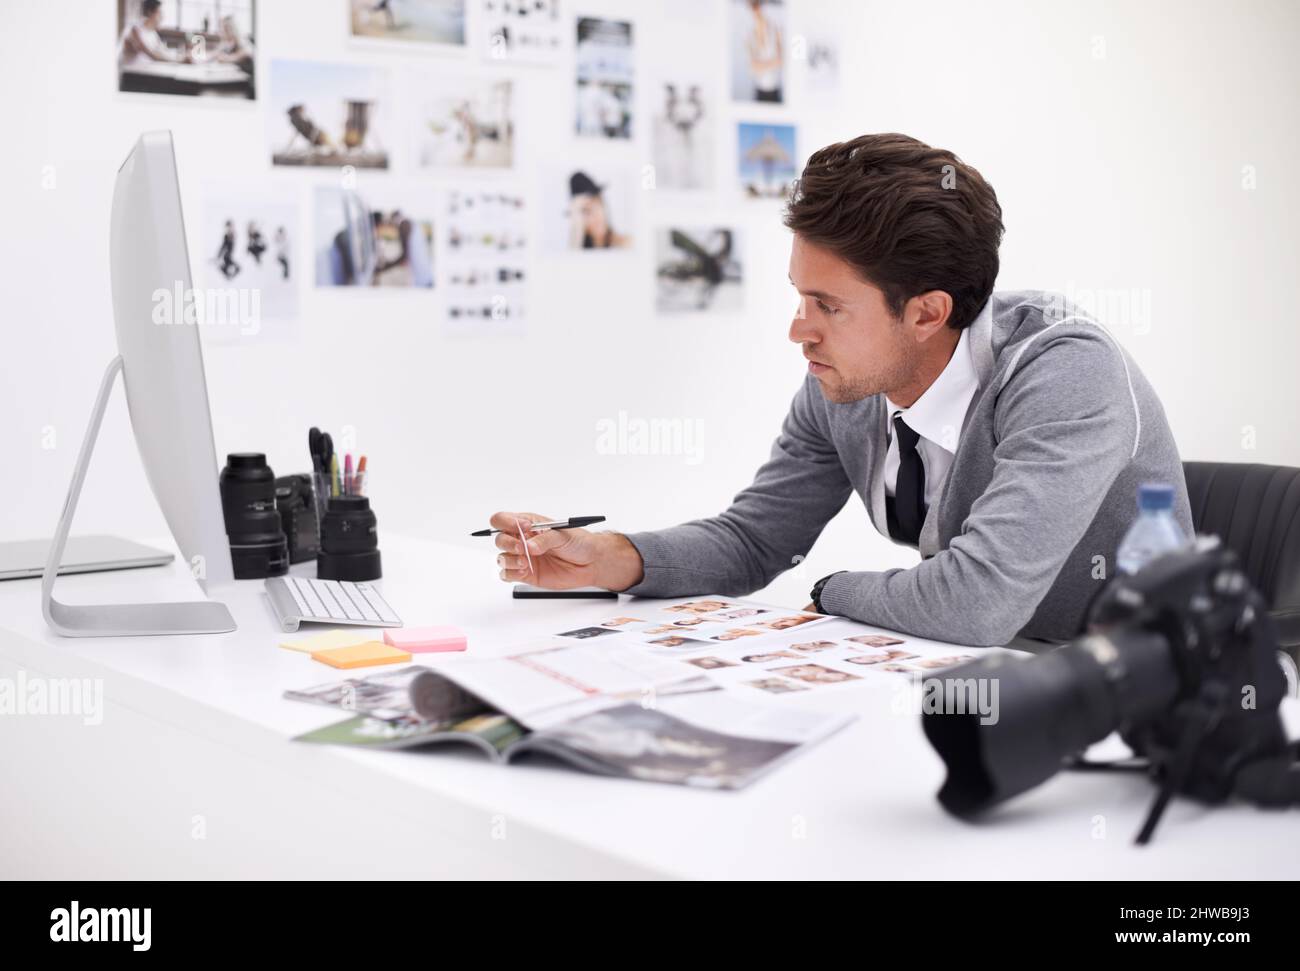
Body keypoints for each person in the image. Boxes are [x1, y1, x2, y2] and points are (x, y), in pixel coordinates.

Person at [489, 133, 1193, 648]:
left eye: (827, 305)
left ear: (927, 312)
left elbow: (978, 603)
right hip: (989, 673)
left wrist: (829, 590)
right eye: (800, 297)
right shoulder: (847, 386)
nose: (800, 331)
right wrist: (619, 555)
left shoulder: (1066, 371)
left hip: (1137, 705)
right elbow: (754, 538)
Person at [566, 172, 630, 249]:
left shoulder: (626, 244)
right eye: (586, 211)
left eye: (597, 204)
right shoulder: (578, 249)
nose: (596, 215)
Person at [117, 0, 188, 68]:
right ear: (150, 12)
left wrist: (182, 57)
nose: (162, 17)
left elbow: (163, 52)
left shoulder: (153, 34)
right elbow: (152, 55)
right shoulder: (134, 30)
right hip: (127, 75)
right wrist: (180, 61)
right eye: (159, 13)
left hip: (144, 72)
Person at [745, 0, 783, 103]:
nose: (757, 13)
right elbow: (753, 67)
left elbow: (781, 61)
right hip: (759, 91)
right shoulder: (750, 35)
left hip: (775, 90)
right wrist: (773, 63)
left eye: (758, 8)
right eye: (754, 9)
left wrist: (762, 65)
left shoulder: (775, 30)